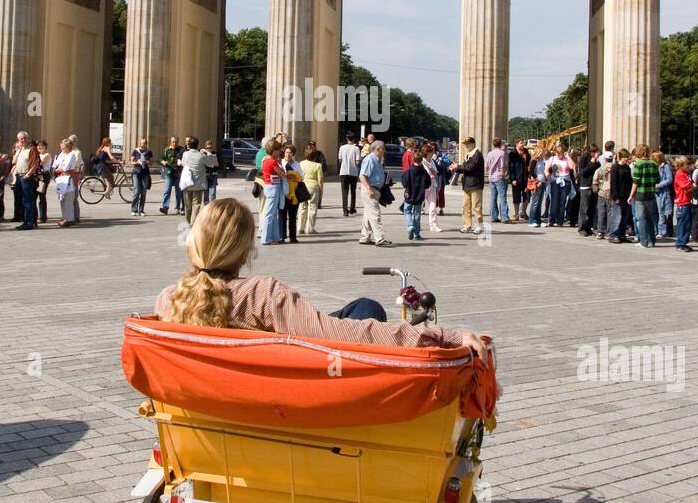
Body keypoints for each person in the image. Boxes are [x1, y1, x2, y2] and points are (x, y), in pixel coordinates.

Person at [156, 198, 490, 364]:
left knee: (362, 306)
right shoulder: (262, 295)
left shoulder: (168, 299)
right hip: (287, 399)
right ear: (246, 252)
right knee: (366, 311)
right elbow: (351, 336)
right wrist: (443, 335)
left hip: (210, 408)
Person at [358, 138, 391, 247]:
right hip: (370, 190)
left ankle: (365, 237)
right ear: (377, 149)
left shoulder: (378, 159)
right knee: (375, 215)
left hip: (375, 189)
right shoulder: (370, 159)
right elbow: (362, 176)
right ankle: (380, 239)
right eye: (383, 149)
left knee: (368, 215)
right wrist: (369, 189)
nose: (384, 151)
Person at [628, 144, 660, 248]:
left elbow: (635, 182)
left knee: (641, 218)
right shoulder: (654, 164)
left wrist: (631, 195)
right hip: (651, 194)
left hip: (640, 194)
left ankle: (643, 241)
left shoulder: (638, 164)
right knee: (650, 218)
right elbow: (658, 180)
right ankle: (652, 241)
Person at [180, 137, 216, 227]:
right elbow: (212, 163)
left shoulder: (185, 154)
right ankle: (193, 223)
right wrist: (207, 152)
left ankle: (188, 221)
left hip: (187, 183)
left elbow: (183, 164)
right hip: (198, 184)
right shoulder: (201, 156)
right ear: (197, 145)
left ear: (189, 145)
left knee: (188, 205)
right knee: (196, 204)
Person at [453, 137, 485, 234]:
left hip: (475, 184)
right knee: (466, 206)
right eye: (465, 144)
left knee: (477, 206)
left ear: (473, 144)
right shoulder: (468, 154)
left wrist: (458, 166)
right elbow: (465, 167)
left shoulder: (477, 155)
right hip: (467, 183)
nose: (466, 146)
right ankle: (467, 225)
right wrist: (456, 168)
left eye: (467, 144)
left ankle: (479, 225)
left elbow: (470, 167)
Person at [259, 136, 287, 245]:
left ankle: (274, 237)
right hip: (273, 187)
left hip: (269, 186)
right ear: (273, 150)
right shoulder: (272, 162)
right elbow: (282, 174)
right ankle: (266, 238)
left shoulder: (266, 160)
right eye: (278, 149)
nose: (280, 151)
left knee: (272, 213)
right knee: (270, 214)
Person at [545, 141, 575, 229]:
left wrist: (568, 156)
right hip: (555, 181)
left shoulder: (566, 158)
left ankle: (560, 220)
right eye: (557, 153)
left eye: (561, 152)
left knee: (562, 201)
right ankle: (552, 219)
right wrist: (548, 176)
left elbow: (572, 166)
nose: (559, 155)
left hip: (565, 181)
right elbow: (546, 169)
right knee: (554, 201)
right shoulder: (552, 159)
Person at [402, 150, 430, 241]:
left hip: (409, 194)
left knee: (407, 210)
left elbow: (404, 182)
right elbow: (428, 183)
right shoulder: (424, 171)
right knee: (417, 214)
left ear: (413, 159)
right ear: (421, 160)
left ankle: (410, 225)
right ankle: (416, 234)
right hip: (419, 195)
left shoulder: (409, 170)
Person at [608, 148, 633, 244]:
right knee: (616, 216)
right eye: (626, 157)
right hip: (618, 196)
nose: (627, 159)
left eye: (628, 157)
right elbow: (613, 183)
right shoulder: (615, 167)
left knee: (624, 217)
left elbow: (630, 182)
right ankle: (613, 235)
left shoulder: (627, 167)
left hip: (626, 196)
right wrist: (615, 196)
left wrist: (631, 195)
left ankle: (622, 235)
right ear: (621, 157)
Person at [299, 142, 324, 234]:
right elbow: (320, 180)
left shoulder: (301, 163)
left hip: (303, 187)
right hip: (313, 187)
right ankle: (310, 228)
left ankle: (300, 228)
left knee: (302, 208)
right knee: (312, 208)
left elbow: (299, 176)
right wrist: (321, 191)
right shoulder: (318, 165)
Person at [673, 156, 695, 253]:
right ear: (681, 165)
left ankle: (683, 242)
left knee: (687, 223)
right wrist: (692, 187)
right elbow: (685, 186)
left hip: (687, 200)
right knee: (683, 224)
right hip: (682, 201)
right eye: (686, 164)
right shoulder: (680, 174)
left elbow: (691, 184)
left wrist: (692, 186)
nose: (688, 166)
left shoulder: (686, 173)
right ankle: (680, 243)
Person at [577, 144, 600, 237]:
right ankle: (582, 228)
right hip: (585, 186)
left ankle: (589, 228)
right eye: (594, 152)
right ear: (590, 152)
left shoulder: (595, 159)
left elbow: (598, 168)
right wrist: (591, 163)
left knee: (592, 208)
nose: (596, 154)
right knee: (584, 208)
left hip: (594, 186)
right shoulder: (583, 158)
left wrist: (595, 162)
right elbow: (582, 172)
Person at [52, 139, 77, 226]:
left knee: (68, 199)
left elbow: (65, 167)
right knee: (62, 198)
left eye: (64, 146)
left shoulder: (71, 155)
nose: (62, 148)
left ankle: (69, 219)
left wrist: (58, 169)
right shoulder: (61, 154)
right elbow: (56, 165)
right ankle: (64, 217)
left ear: (68, 147)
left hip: (68, 178)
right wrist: (57, 168)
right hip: (61, 178)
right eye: (61, 146)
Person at [486, 138, 509, 224]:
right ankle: (504, 217)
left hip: (491, 177)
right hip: (499, 177)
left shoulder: (490, 153)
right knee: (503, 198)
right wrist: (503, 174)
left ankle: (494, 216)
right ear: (500, 144)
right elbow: (503, 165)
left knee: (493, 198)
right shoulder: (501, 153)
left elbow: (487, 166)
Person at [338, 132, 361, 216]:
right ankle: (352, 208)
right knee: (353, 191)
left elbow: (340, 160)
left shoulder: (342, 148)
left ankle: (345, 210)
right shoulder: (356, 149)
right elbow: (357, 161)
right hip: (353, 172)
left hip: (343, 172)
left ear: (347, 139)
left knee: (344, 192)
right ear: (354, 139)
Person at [422, 142, 443, 234]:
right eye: (432, 152)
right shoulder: (421, 161)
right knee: (418, 207)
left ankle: (433, 226)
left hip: (432, 185)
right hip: (423, 187)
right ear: (428, 152)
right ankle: (415, 225)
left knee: (433, 206)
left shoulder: (432, 161)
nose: (433, 153)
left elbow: (437, 171)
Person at [159, 136, 183, 215]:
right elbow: (162, 159)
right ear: (170, 142)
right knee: (167, 190)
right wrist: (163, 162)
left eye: (176, 142)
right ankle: (165, 207)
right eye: (173, 142)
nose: (174, 143)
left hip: (177, 172)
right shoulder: (167, 150)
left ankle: (177, 208)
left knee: (178, 191)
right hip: (168, 172)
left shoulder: (181, 150)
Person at [509, 139, 531, 221]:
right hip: (517, 178)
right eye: (521, 143)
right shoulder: (512, 154)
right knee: (516, 196)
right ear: (516, 144)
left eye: (524, 143)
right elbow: (511, 167)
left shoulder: (526, 152)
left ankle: (523, 212)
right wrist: (513, 179)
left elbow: (529, 164)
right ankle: (516, 214)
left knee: (527, 196)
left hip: (526, 178)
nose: (523, 144)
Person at [653, 151, 673, 240]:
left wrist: (658, 185)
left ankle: (662, 232)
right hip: (655, 192)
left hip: (662, 192)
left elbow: (669, 180)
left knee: (662, 212)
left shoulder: (665, 167)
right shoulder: (656, 166)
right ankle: (656, 230)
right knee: (655, 212)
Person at [130, 139, 153, 216]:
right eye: (142, 143)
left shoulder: (149, 152)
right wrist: (138, 162)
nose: (143, 144)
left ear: (146, 144)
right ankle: (134, 209)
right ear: (139, 144)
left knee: (143, 192)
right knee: (136, 191)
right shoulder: (135, 151)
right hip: (136, 172)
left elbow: (151, 163)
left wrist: (147, 162)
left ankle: (141, 210)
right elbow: (131, 162)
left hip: (145, 173)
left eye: (145, 143)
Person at [527, 147, 547, 229]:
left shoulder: (542, 161)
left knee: (539, 203)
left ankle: (538, 220)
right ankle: (532, 220)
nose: (544, 153)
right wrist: (537, 181)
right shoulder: (534, 161)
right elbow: (531, 172)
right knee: (535, 202)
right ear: (538, 152)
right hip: (536, 183)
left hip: (542, 182)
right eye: (543, 152)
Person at [36, 140, 52, 224]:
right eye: (38, 145)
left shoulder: (47, 155)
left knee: (42, 196)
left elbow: (40, 163)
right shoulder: (37, 155)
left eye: (41, 145)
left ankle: (43, 217)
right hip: (37, 176)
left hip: (44, 176)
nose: (39, 147)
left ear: (45, 147)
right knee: (35, 196)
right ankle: (36, 215)